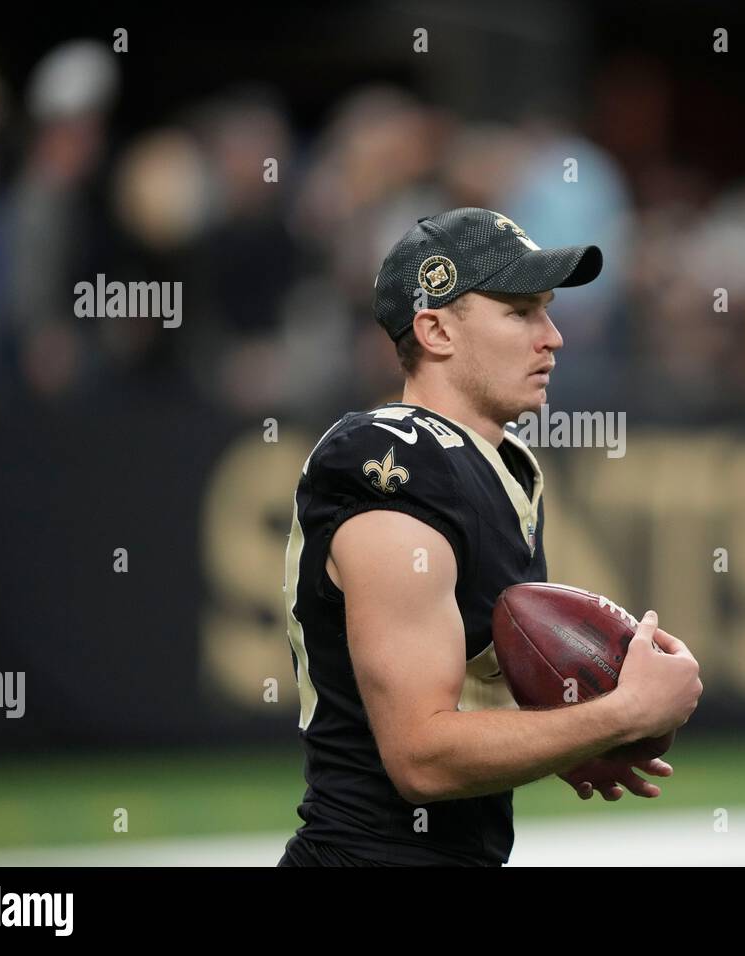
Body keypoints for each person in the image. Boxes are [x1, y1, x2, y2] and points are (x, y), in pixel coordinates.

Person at [277, 207, 702, 866]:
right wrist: (619, 715)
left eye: (548, 311)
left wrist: (568, 743)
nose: (553, 337)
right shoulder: (394, 466)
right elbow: (420, 757)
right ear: (436, 328)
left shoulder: (498, 465)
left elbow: (469, 700)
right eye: (520, 312)